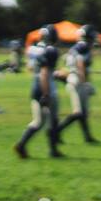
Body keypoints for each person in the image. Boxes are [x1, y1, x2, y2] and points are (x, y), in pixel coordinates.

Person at [14, 26, 63, 158]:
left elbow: (31, 67)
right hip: (46, 87)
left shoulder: (34, 49)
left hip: (35, 86)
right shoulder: (51, 51)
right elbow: (44, 72)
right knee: (52, 120)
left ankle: (22, 145)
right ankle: (53, 151)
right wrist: (46, 94)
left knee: (39, 121)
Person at [57, 23, 99, 144]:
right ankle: (56, 131)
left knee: (83, 112)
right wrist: (85, 81)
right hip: (78, 79)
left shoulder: (76, 47)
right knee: (79, 112)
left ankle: (87, 137)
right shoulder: (84, 47)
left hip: (75, 78)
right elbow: (80, 63)